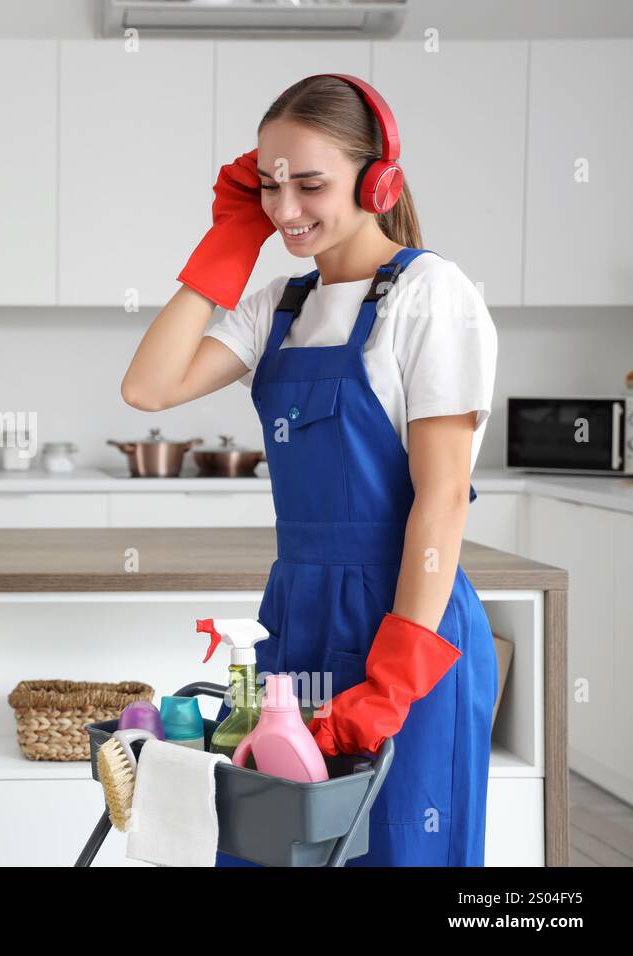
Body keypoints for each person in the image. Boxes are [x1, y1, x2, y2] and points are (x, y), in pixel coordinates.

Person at [121, 75, 498, 866]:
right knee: (274, 846)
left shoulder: (432, 296)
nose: (285, 210)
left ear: (378, 178)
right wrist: (227, 240)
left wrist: (393, 677)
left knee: (396, 845)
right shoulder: (278, 305)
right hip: (295, 620)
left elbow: (441, 501)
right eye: (267, 186)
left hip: (406, 622)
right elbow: (147, 387)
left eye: (310, 184)